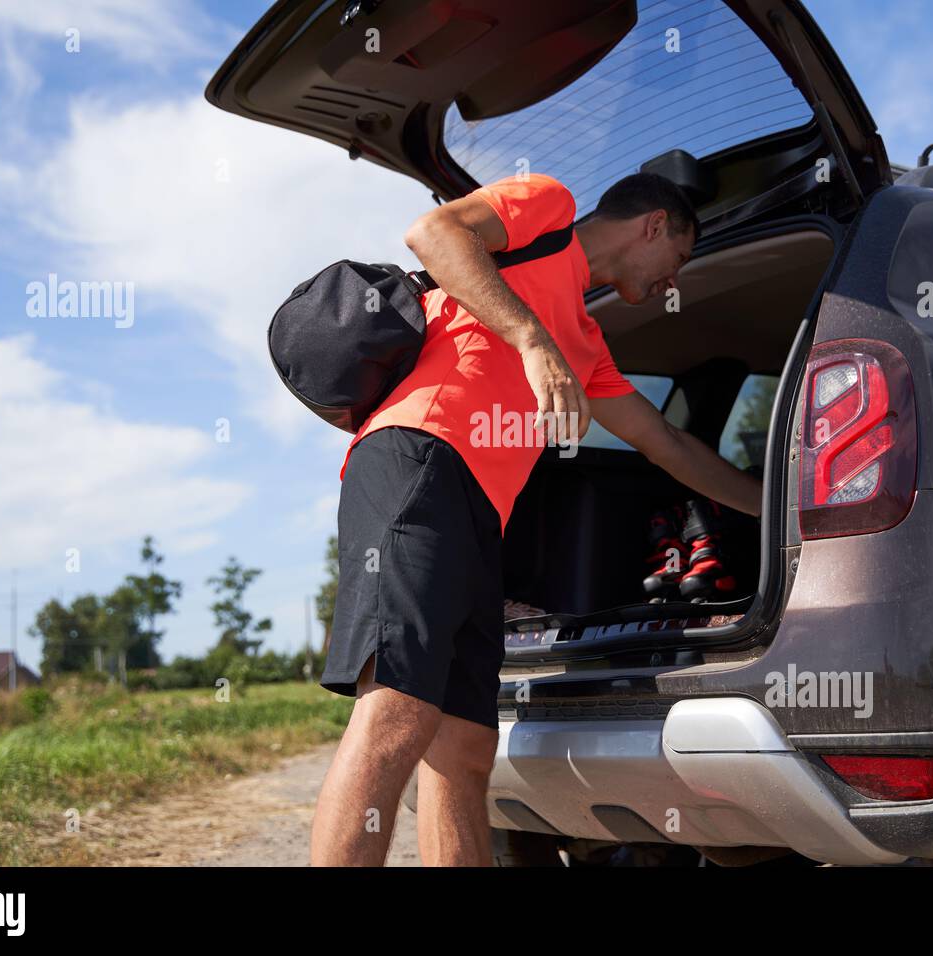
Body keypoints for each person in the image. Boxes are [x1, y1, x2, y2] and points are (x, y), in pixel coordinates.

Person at [310, 172, 763, 866]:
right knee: (395, 709)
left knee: (463, 749)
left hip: (477, 518)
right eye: (681, 254)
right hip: (419, 460)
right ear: (654, 225)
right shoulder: (547, 207)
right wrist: (529, 336)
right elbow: (433, 233)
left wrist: (773, 507)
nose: (677, 273)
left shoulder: (584, 339)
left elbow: (666, 444)